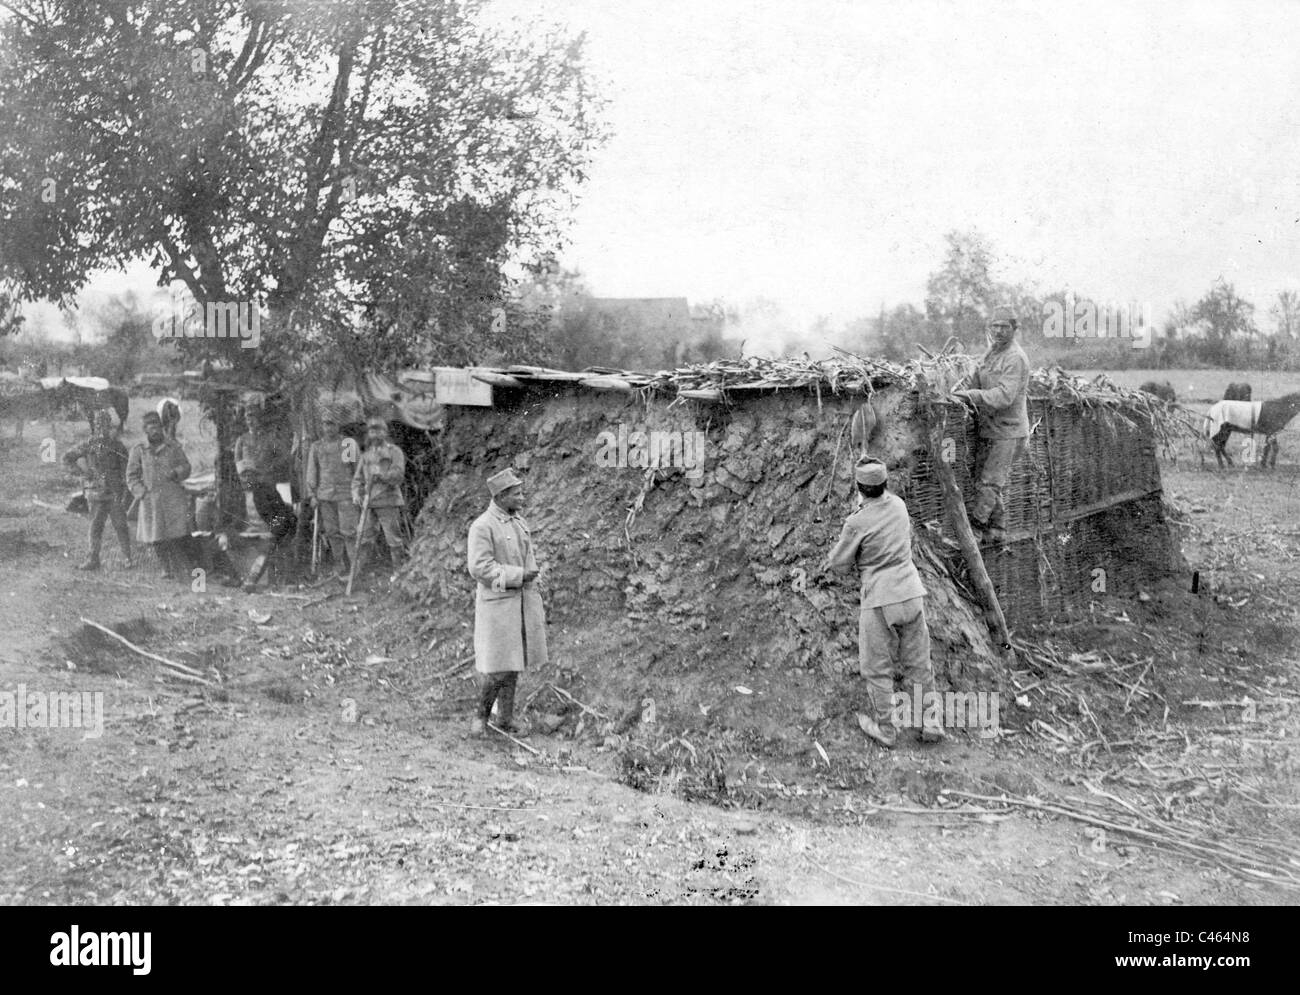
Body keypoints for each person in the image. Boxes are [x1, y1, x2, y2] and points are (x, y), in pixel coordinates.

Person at [825, 458, 944, 748]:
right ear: (886, 484)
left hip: (880, 599)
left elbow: (838, 564)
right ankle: (931, 723)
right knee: (918, 664)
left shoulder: (857, 521)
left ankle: (887, 731)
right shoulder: (900, 506)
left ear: (858, 488)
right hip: (912, 593)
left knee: (876, 667)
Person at [467, 468, 548, 738]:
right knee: (497, 668)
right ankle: (480, 719)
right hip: (498, 608)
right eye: (517, 494)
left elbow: (526, 557)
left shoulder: (517, 522)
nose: (522, 498)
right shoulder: (482, 526)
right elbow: (480, 569)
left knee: (513, 664)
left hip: (521, 604)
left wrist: (532, 581)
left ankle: (505, 718)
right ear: (501, 496)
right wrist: (517, 577)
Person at [953, 305, 1030, 545]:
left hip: (1008, 430)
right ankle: (998, 530)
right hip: (989, 428)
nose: (998, 331)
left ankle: (974, 532)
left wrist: (971, 395)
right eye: (994, 326)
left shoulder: (1015, 358)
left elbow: (1004, 396)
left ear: (1014, 329)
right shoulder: (990, 353)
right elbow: (974, 377)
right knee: (983, 481)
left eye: (1004, 327)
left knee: (990, 482)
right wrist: (956, 390)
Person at [64, 408, 133, 570]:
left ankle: (128, 558)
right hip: (95, 493)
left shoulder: (118, 446)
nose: (102, 428)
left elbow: (126, 470)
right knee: (95, 527)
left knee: (121, 526)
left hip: (115, 493)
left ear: (110, 426)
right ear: (94, 426)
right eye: (98, 424)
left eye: (105, 424)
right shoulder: (88, 445)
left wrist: (124, 491)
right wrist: (83, 473)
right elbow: (67, 458)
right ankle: (93, 559)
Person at [235, 407, 298, 585]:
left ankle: (272, 577)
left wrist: (268, 469)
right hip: (251, 485)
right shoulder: (242, 440)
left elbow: (285, 457)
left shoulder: (269, 440)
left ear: (260, 420)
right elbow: (237, 462)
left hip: (267, 484)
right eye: (247, 417)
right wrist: (246, 476)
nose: (250, 420)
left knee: (272, 526)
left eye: (253, 417)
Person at [126, 410, 192, 579]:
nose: (155, 431)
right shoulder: (139, 450)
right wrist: (141, 493)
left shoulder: (173, 447)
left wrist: (176, 472)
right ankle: (166, 568)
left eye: (157, 427)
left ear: (162, 428)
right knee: (156, 537)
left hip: (172, 498)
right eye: (151, 428)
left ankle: (181, 567)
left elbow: (186, 467)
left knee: (177, 534)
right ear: (145, 430)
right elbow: (131, 476)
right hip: (151, 500)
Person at [305, 412, 359, 579]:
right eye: (325, 424)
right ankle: (339, 565)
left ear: (338, 426)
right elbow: (312, 472)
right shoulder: (317, 447)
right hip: (325, 496)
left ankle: (355, 566)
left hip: (345, 495)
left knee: (349, 532)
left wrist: (357, 490)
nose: (328, 428)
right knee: (332, 532)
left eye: (332, 424)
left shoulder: (346, 444)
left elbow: (356, 469)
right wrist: (312, 494)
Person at [351, 417, 407, 566]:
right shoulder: (366, 455)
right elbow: (357, 479)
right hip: (369, 503)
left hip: (388, 499)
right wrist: (356, 492)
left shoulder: (394, 452)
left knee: (393, 538)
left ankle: (398, 572)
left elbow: (398, 474)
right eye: (372, 431)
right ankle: (359, 572)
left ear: (385, 433)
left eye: (378, 431)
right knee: (364, 537)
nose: (375, 435)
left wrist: (382, 474)